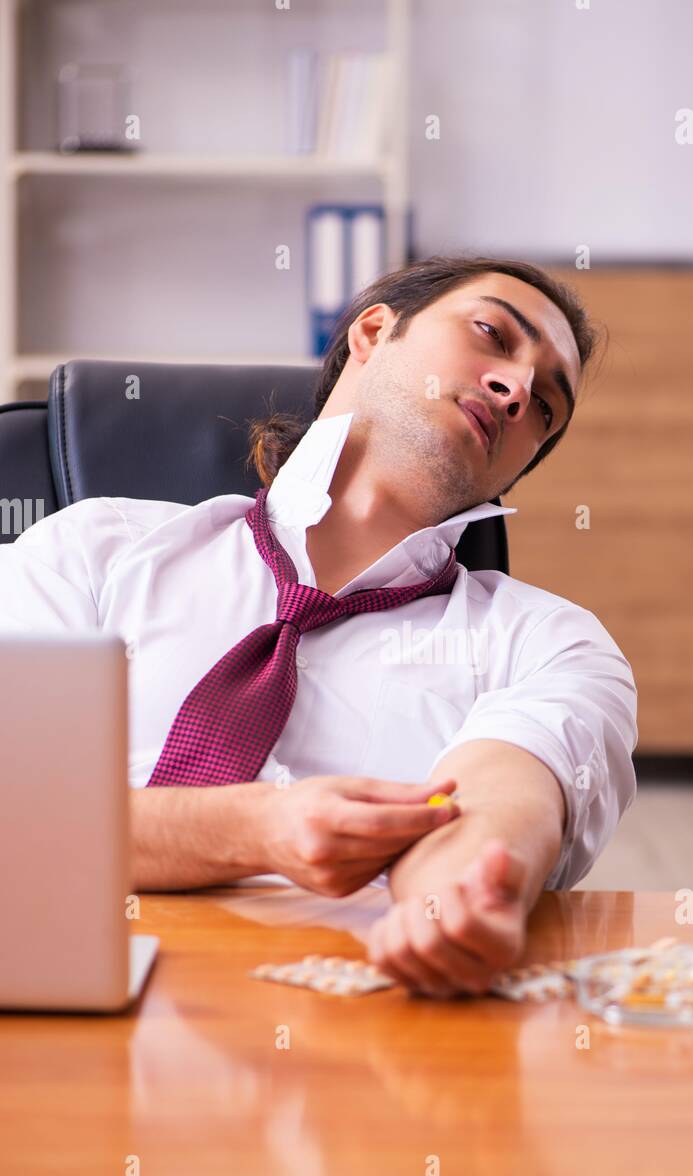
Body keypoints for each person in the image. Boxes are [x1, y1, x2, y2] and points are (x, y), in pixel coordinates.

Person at [0, 254, 637, 998]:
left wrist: (458, 899)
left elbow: (501, 798)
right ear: (373, 330)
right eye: (492, 334)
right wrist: (255, 827)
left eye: (548, 408)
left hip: (350, 1035)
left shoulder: (549, 642)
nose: (518, 389)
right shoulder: (91, 550)